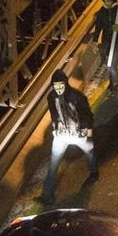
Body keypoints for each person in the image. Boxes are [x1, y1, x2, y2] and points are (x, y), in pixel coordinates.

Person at [39, 70, 97, 204]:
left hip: (78, 132)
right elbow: (54, 114)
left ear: (65, 84)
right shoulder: (51, 97)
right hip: (62, 135)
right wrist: (56, 126)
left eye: (61, 85)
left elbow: (87, 114)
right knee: (53, 164)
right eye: (56, 86)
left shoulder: (77, 97)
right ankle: (47, 196)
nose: (58, 88)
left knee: (90, 153)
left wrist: (88, 130)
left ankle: (94, 173)